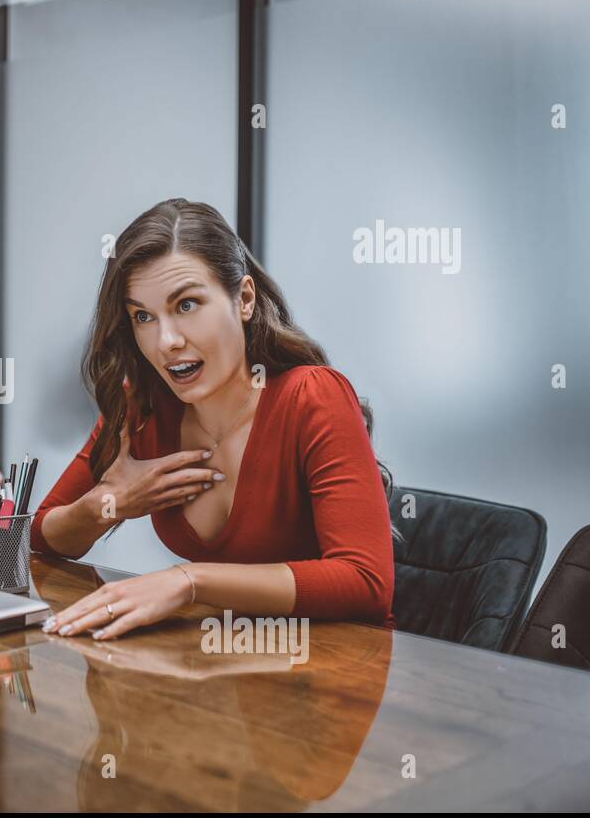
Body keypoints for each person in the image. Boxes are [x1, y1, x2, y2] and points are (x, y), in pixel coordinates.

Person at [32, 199, 394, 640]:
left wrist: (189, 581)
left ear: (243, 299)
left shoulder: (311, 397)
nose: (166, 341)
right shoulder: (144, 408)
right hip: (223, 670)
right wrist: (109, 505)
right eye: (143, 316)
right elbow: (44, 535)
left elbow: (365, 583)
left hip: (341, 671)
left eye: (186, 305)